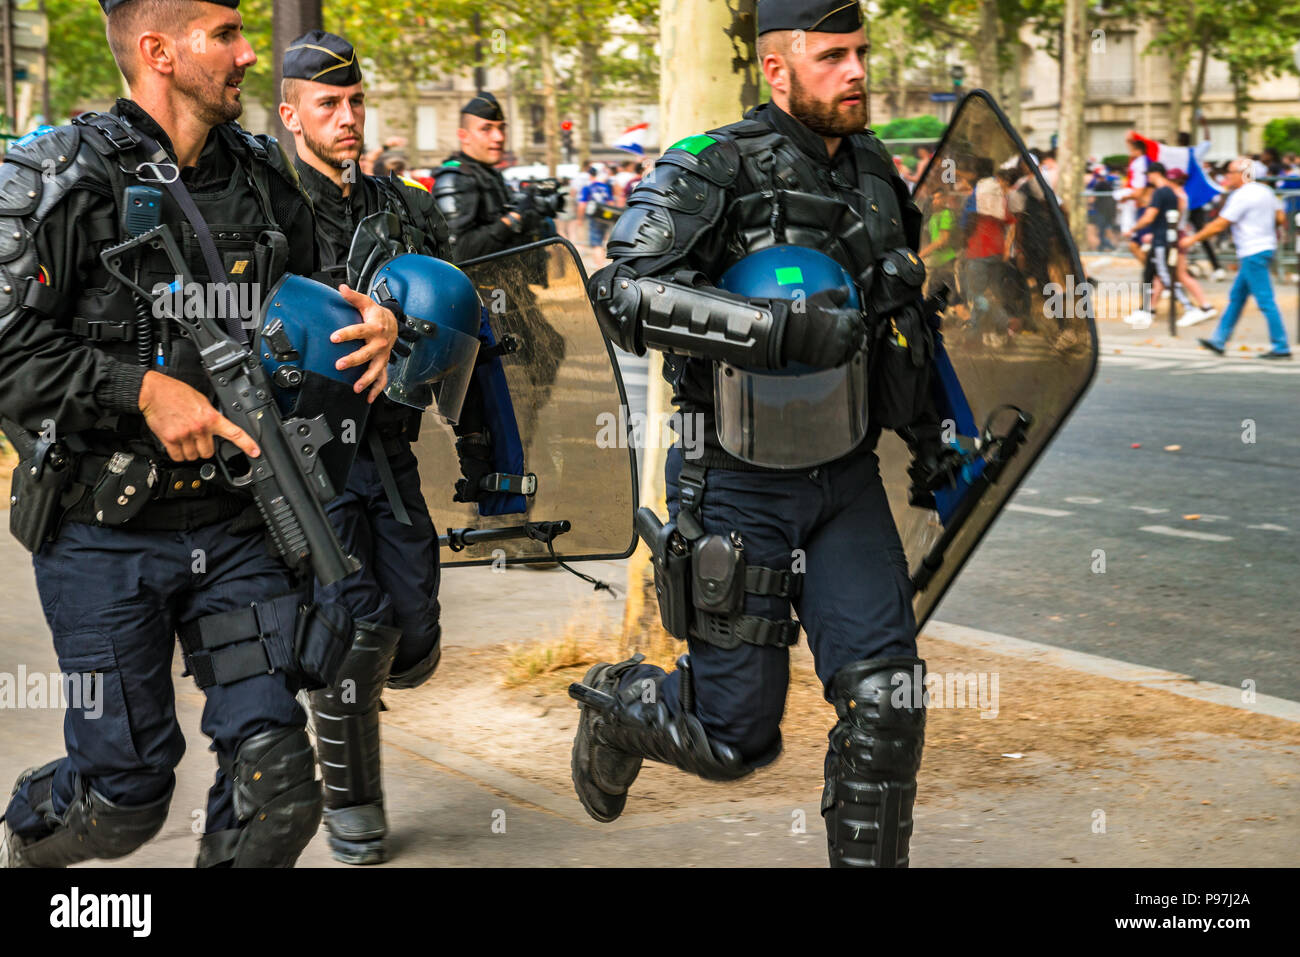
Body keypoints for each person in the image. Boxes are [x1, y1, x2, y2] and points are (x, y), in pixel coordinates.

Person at [0, 0, 397, 868]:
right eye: (223, 34)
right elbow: (7, 348)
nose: (251, 53)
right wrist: (141, 390)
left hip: (235, 522)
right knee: (123, 802)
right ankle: (23, 841)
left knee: (279, 784)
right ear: (158, 51)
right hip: (101, 535)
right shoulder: (53, 177)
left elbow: (312, 296)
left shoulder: (258, 175)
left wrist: (371, 320)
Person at [570, 0, 962, 868]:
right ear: (777, 69)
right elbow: (624, 292)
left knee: (888, 704)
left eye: (861, 51)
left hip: (846, 476)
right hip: (735, 482)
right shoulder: (711, 165)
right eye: (833, 56)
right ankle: (618, 707)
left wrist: (936, 441)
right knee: (733, 738)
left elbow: (902, 321)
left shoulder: (875, 172)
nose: (858, 70)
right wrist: (772, 330)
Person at [278, 29, 477, 865]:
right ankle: (353, 803)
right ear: (291, 114)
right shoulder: (262, 202)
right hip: (303, 449)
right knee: (355, 622)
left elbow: (466, 318)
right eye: (328, 104)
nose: (347, 117)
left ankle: (339, 679)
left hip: (387, 446)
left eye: (356, 101)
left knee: (414, 634)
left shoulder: (406, 208)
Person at [1184, 157, 1292, 359]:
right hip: (1264, 248)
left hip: (1253, 251)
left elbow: (1220, 224)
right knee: (1237, 297)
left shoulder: (1242, 196)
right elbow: (1280, 218)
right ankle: (1219, 340)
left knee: (1265, 300)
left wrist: (1192, 240)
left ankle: (1281, 346)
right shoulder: (1265, 191)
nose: (1226, 177)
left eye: (1230, 173)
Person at [434, 92, 545, 264]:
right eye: (486, 129)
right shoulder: (454, 178)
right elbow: (458, 252)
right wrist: (515, 217)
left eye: (501, 128)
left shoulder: (490, 174)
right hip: (480, 290)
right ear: (464, 136)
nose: (499, 137)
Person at [1122, 162, 1215, 328]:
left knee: (1167, 275)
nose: (1148, 178)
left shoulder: (1165, 193)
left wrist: (1134, 229)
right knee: (1155, 276)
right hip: (1167, 237)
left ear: (1156, 174)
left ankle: (1190, 307)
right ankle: (1147, 311)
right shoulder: (1175, 194)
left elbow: (1152, 216)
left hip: (1163, 240)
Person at [578, 164, 615, 250]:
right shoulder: (605, 187)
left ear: (590, 175)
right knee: (604, 241)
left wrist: (580, 219)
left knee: (596, 244)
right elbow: (611, 203)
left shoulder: (587, 187)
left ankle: (600, 263)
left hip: (594, 216)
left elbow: (582, 205)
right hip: (606, 216)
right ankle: (602, 260)